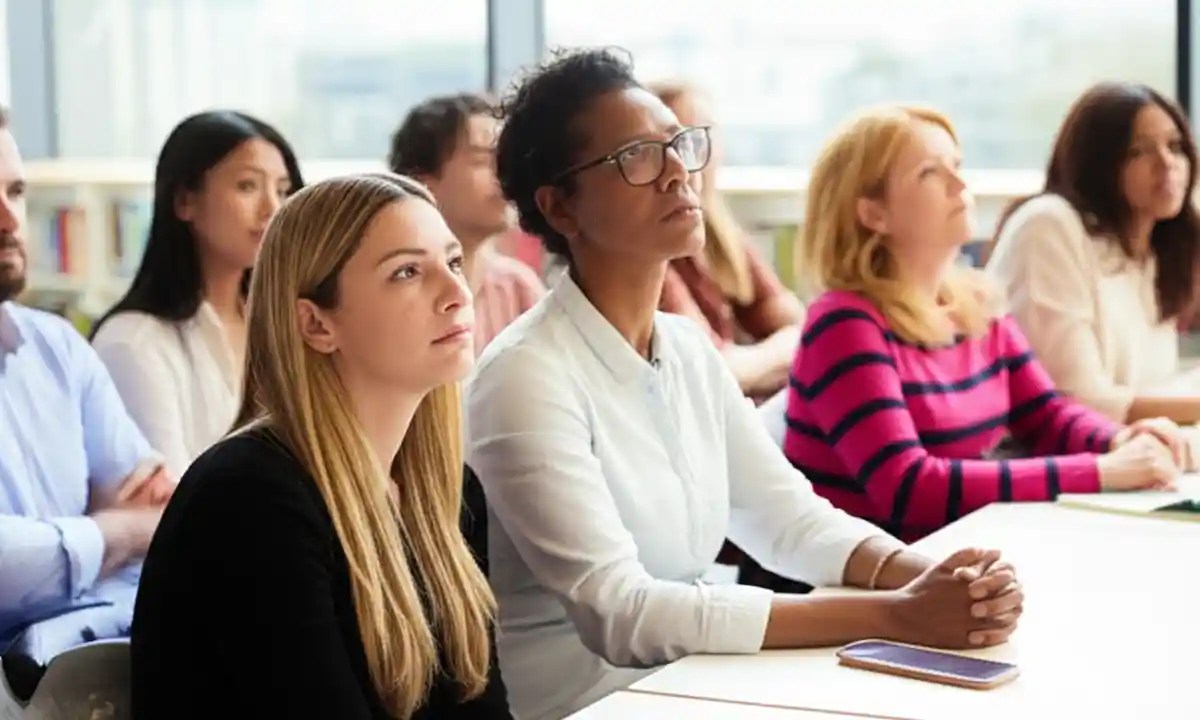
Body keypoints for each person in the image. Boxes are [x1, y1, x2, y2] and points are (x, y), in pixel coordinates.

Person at [470, 48, 1023, 720]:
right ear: (561, 208)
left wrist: (932, 578)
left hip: (701, 680)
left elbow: (787, 518)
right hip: (596, 702)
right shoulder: (524, 377)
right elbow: (621, 613)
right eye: (638, 158)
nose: (678, 172)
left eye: (679, 145)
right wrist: (898, 615)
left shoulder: (684, 350)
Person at [131, 173, 512, 719]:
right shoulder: (250, 499)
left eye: (452, 263)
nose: (457, 294)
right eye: (407, 272)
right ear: (315, 324)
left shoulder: (449, 491)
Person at [783, 105, 1188, 544]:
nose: (960, 185)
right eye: (929, 173)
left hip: (955, 560)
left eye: (956, 166)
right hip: (854, 589)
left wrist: (1121, 441)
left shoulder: (975, 304)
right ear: (872, 214)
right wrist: (1101, 471)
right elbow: (910, 489)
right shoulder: (842, 324)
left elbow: (1047, 416)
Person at [0, 92, 169, 719]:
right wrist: (120, 530)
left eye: (16, 191)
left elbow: (160, 511)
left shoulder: (56, 346)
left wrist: (114, 540)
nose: (8, 219)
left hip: (103, 662)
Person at [91, 111, 304, 479]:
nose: (273, 208)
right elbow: (171, 501)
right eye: (248, 186)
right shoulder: (133, 343)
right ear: (185, 201)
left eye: (283, 190)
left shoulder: (290, 324)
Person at [988, 82, 1200, 426]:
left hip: (1128, 457)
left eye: (1175, 146)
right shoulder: (1049, 225)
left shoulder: (1158, 248)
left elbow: (1154, 388)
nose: (1167, 163)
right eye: (1139, 152)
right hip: (1054, 464)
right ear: (1097, 164)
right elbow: (1078, 401)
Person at [651, 81, 805, 400]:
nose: (698, 158)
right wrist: (781, 351)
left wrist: (760, 362)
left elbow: (799, 325)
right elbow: (713, 372)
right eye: (683, 140)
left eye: (706, 134)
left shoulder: (722, 232)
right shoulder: (647, 252)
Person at [390, 93, 545, 354]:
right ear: (421, 182)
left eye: (505, 159)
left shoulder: (517, 288)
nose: (504, 175)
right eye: (482, 161)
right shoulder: (392, 292)